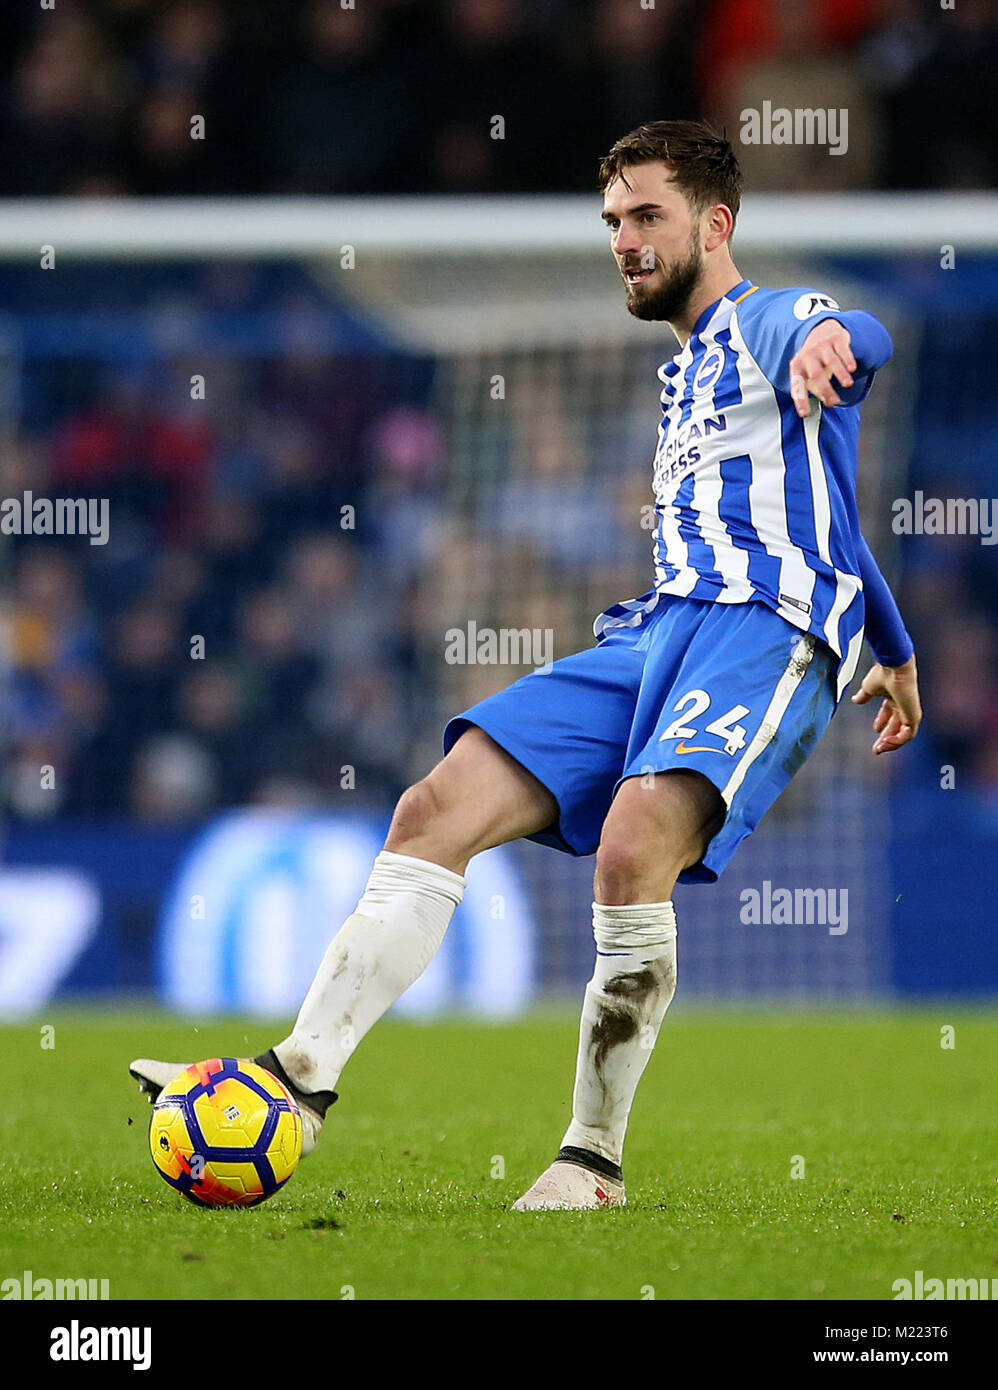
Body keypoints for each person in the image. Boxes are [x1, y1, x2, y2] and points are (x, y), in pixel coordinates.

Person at [130, 120, 922, 1211]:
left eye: (646, 216)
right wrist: (897, 646)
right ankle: (291, 1083)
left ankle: (589, 1161)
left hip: (760, 630)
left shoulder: (768, 323)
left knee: (632, 842)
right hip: (657, 629)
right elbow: (828, 513)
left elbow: (849, 328)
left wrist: (842, 344)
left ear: (714, 223)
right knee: (433, 802)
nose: (624, 241)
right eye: (610, 222)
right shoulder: (686, 369)